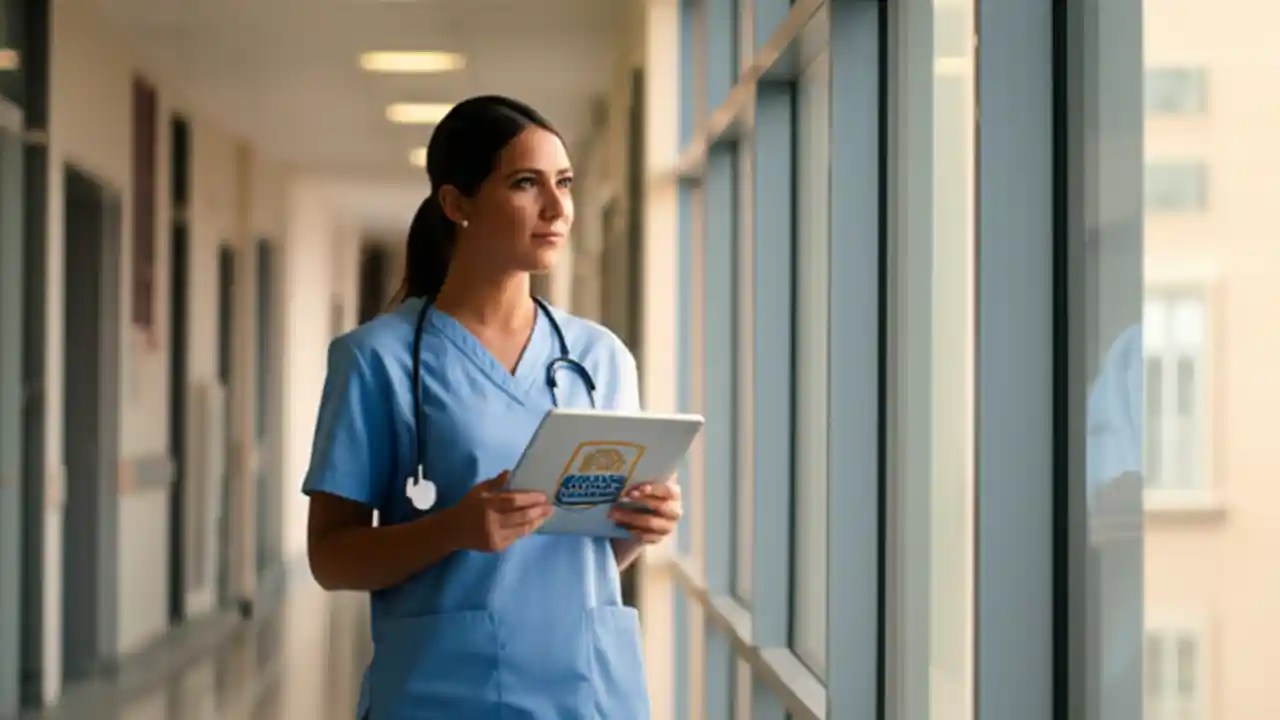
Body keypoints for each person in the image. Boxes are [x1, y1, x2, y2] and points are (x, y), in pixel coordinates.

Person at [302, 95, 682, 719]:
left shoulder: (599, 357)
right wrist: (450, 529)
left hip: (589, 693)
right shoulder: (378, 359)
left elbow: (584, 557)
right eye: (525, 184)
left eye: (564, 183)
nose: (557, 209)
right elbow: (330, 558)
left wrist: (640, 525)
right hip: (446, 693)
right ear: (457, 205)